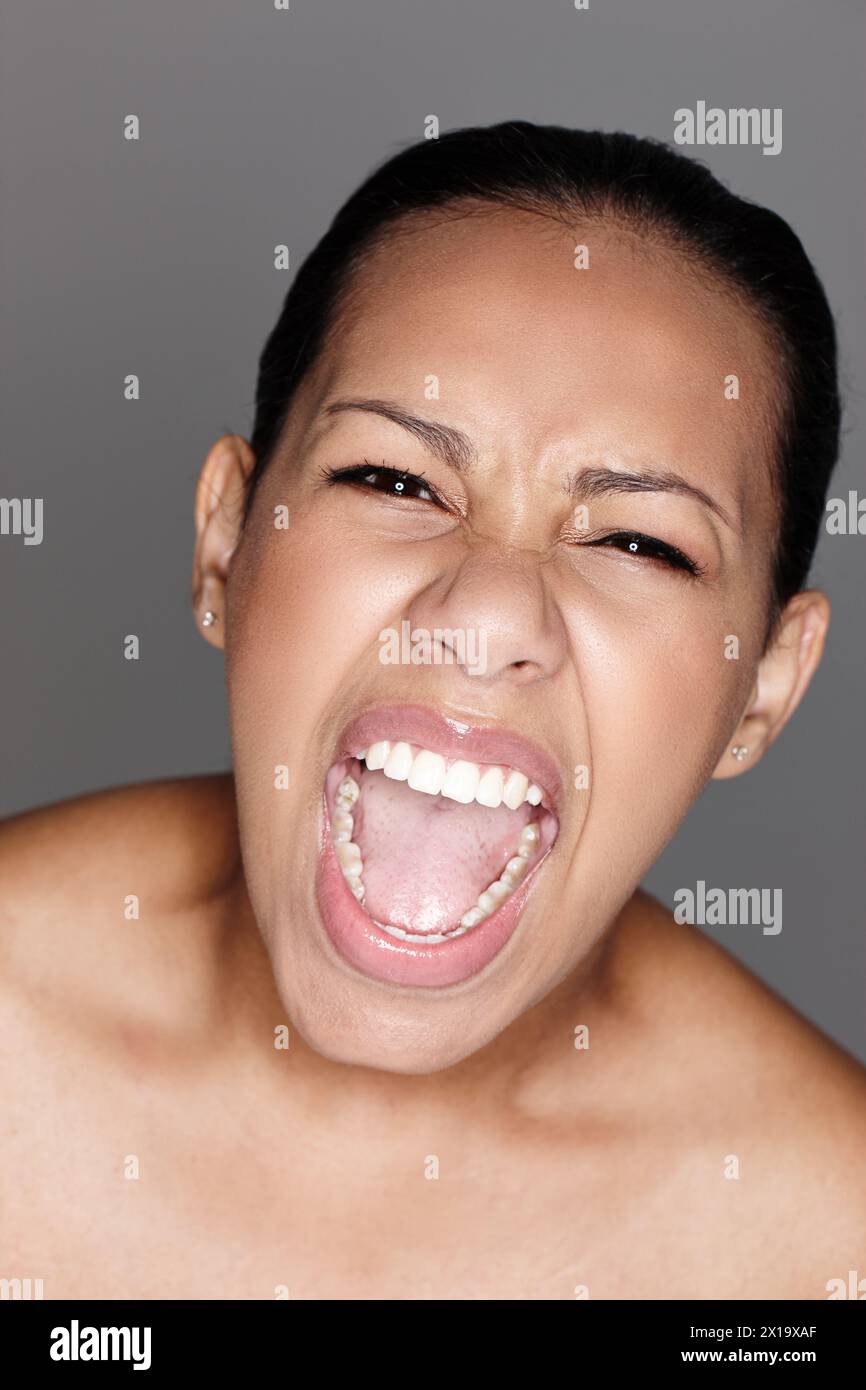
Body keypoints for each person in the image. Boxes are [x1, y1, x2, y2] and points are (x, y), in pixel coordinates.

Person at [2, 123, 864, 1300]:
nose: (489, 612)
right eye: (393, 478)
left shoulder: (828, 1244)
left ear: (760, 686)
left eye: (638, 542)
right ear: (225, 540)